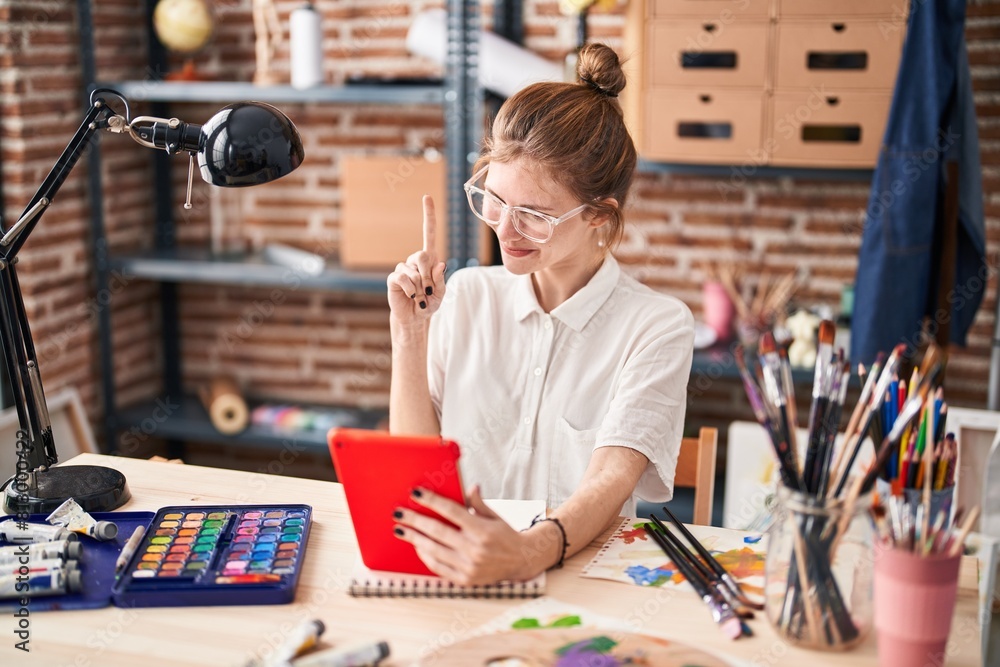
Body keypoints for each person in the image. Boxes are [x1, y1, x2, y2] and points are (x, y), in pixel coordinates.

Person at [385, 43, 694, 586]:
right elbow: (415, 473)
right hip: (455, 572)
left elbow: (611, 479)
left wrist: (529, 553)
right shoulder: (466, 296)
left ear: (600, 215)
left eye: (532, 214)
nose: (503, 229)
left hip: (581, 581)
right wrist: (409, 336)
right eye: (495, 199)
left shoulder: (657, 326)